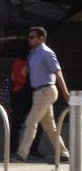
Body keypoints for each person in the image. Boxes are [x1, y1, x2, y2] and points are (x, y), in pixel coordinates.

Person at [15, 26, 70, 162]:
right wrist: (27, 70)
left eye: (32, 37)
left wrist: (66, 93)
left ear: (41, 38)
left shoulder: (46, 52)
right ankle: (63, 154)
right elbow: (40, 70)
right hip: (39, 92)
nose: (29, 39)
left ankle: (22, 154)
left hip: (46, 91)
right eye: (29, 37)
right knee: (50, 127)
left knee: (31, 121)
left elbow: (58, 72)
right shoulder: (34, 53)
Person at [8, 53, 44, 158]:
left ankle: (12, 149)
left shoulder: (17, 62)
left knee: (15, 124)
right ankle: (33, 148)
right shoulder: (32, 62)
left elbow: (13, 78)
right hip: (29, 93)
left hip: (16, 93)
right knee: (37, 122)